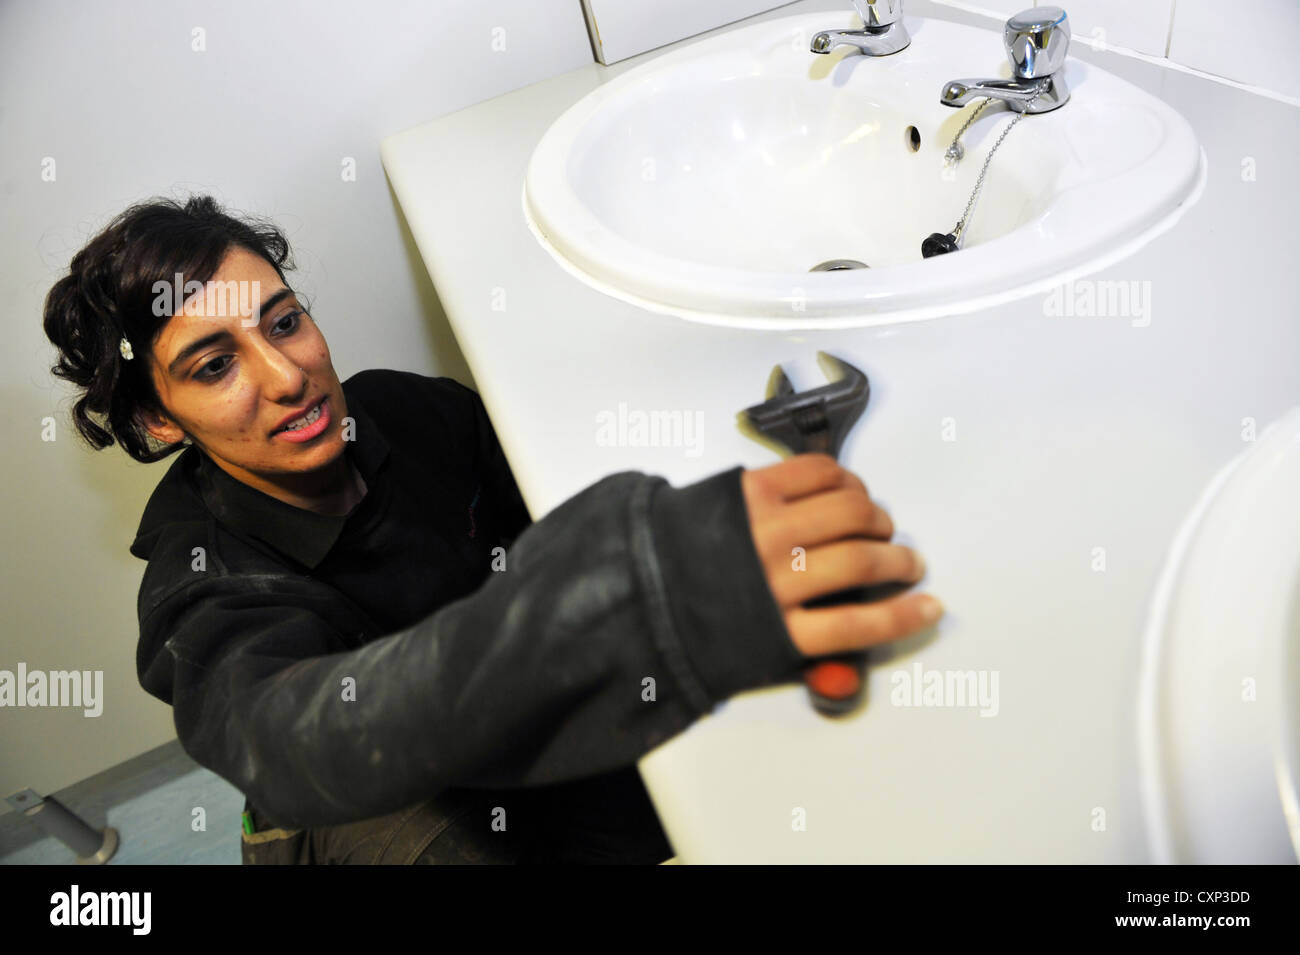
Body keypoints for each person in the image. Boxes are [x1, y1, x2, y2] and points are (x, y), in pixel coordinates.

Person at [42, 195, 946, 864]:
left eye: (285, 321)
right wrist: (621, 601)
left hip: (496, 715)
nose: (287, 376)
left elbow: (540, 539)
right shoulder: (197, 588)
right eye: (213, 365)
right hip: (350, 797)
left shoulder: (410, 413)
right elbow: (295, 738)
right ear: (158, 421)